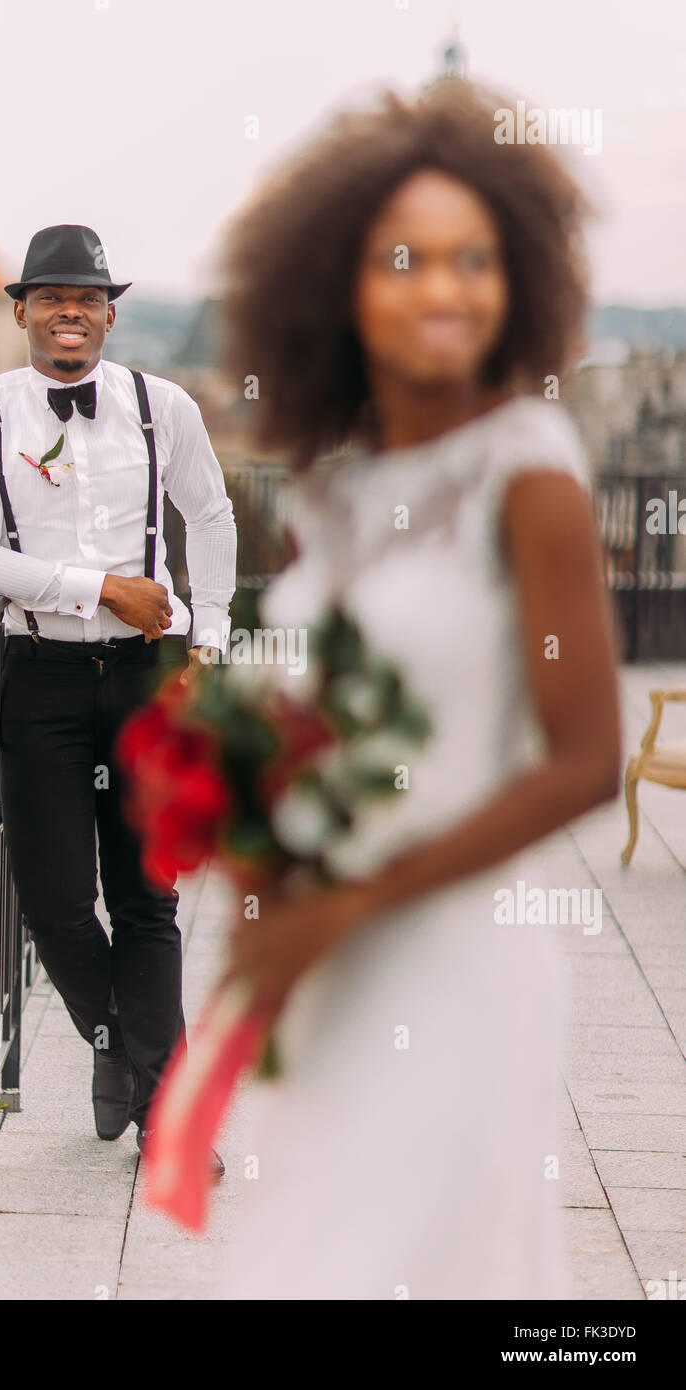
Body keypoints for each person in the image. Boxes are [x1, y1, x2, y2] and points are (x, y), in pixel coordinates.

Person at [211, 80, 621, 1297]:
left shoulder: (527, 477)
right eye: (404, 260)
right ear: (338, 283)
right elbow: (294, 706)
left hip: (450, 955)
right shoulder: (330, 496)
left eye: (471, 260)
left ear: (516, 284)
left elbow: (583, 763)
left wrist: (353, 902)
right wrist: (258, 863)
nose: (442, 289)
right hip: (318, 964)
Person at [0, 224, 236, 1172]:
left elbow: (213, 515)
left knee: (147, 902)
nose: (72, 310)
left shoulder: (164, 406)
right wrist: (101, 586)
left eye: (89, 296)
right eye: (53, 296)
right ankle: (123, 1052)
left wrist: (213, 638)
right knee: (56, 902)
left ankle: (169, 1115)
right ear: (22, 311)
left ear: (110, 312)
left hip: (146, 679)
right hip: (43, 675)